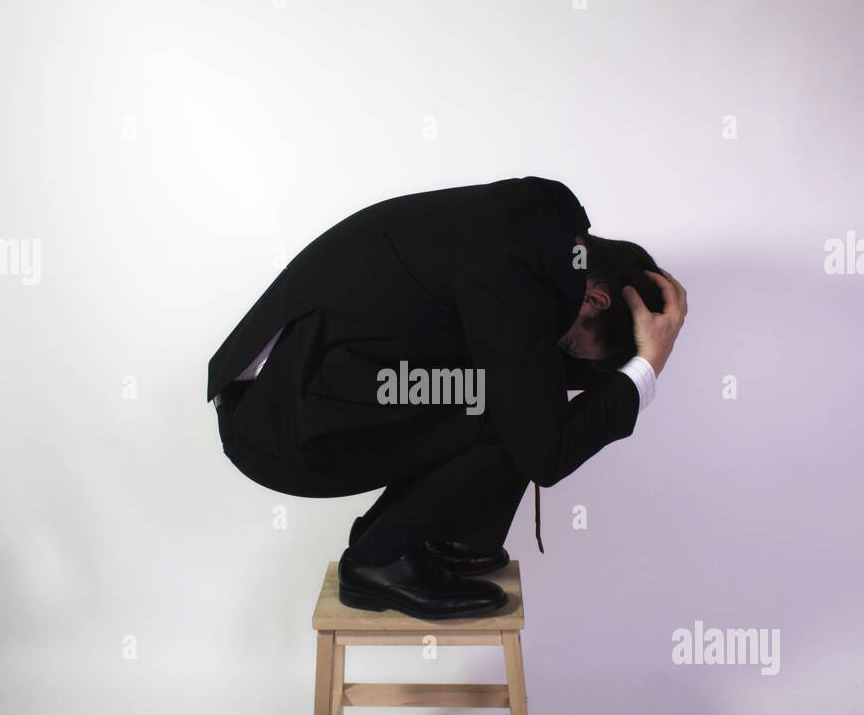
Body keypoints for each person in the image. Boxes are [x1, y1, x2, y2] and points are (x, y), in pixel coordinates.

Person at [207, 175, 687, 620]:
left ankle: (446, 538)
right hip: (276, 423)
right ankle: (379, 560)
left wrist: (633, 368)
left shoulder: (543, 240)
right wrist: (646, 369)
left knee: (522, 388)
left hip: (303, 383)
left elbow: (540, 365)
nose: (574, 356)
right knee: (518, 411)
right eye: (584, 347)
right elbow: (545, 452)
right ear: (597, 301)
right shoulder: (518, 277)